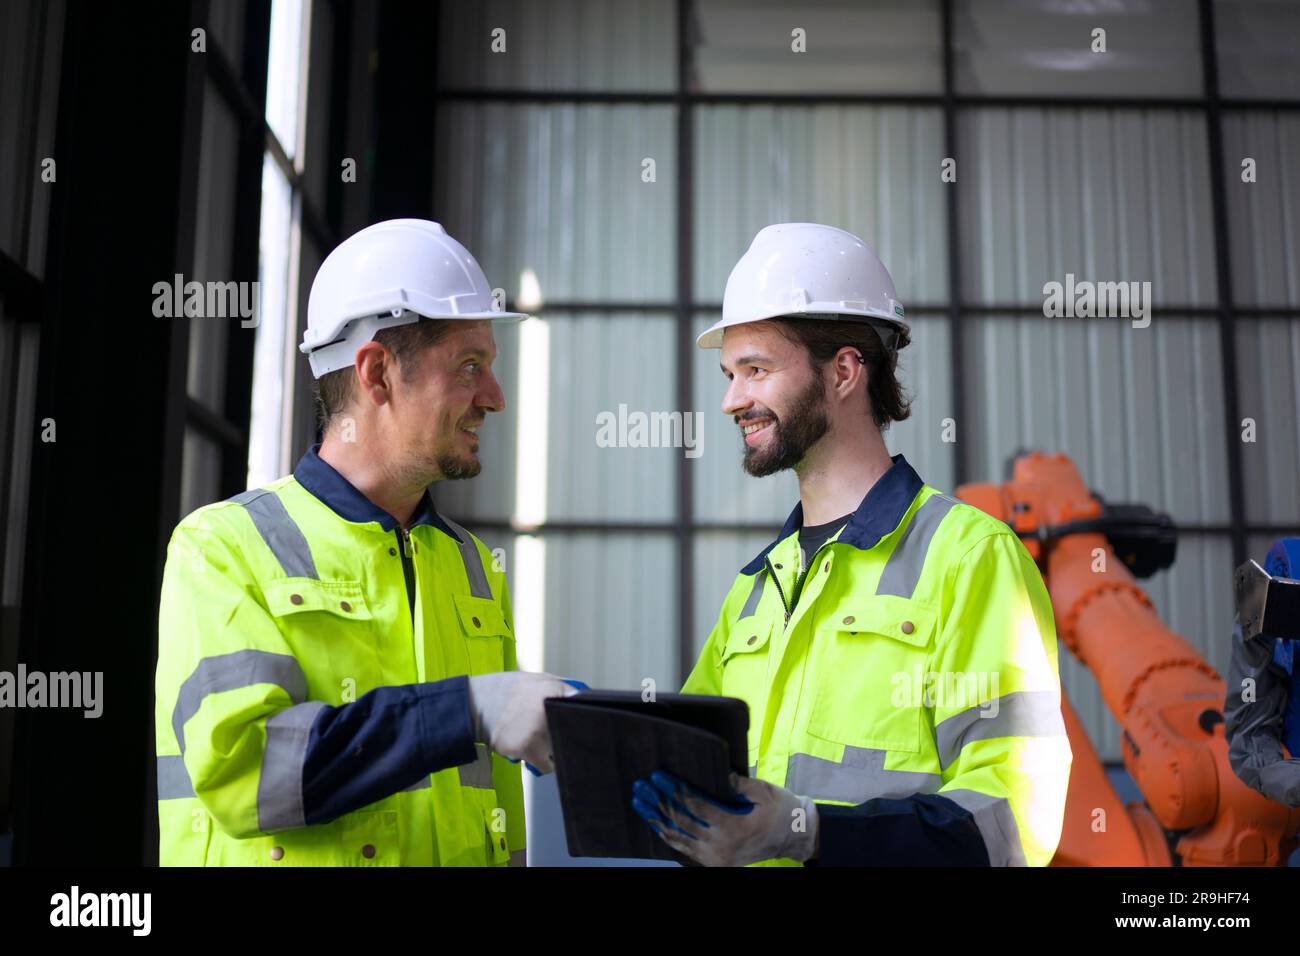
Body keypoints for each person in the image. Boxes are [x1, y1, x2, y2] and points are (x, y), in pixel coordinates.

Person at [631, 222, 1072, 866]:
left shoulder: (970, 556)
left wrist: (809, 831)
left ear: (842, 371)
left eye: (756, 369)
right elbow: (698, 780)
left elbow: (1012, 818)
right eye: (730, 373)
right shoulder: (758, 588)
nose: (731, 400)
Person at [155, 219, 576, 866]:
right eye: (470, 366)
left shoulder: (470, 566)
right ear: (377, 372)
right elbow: (243, 772)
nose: (494, 397)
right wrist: (463, 709)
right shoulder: (224, 549)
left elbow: (494, 813)